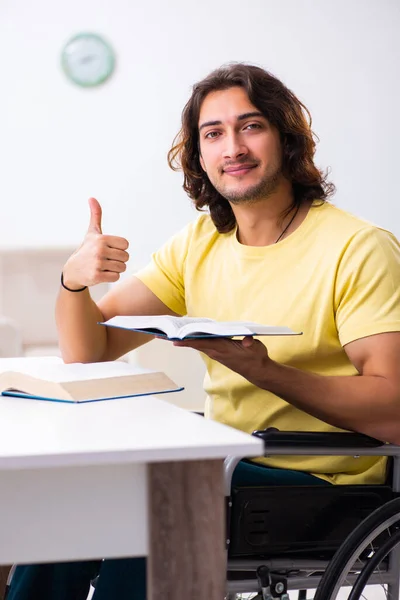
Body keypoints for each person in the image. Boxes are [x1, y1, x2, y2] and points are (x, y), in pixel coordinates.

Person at [7, 63, 400, 599]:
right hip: (225, 464)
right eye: (213, 133)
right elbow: (89, 350)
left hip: (325, 483)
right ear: (199, 155)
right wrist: (73, 283)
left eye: (251, 126)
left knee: (147, 492)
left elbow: (393, 407)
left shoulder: (359, 249)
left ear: (287, 139)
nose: (231, 146)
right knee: (74, 488)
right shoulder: (200, 243)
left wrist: (266, 373)